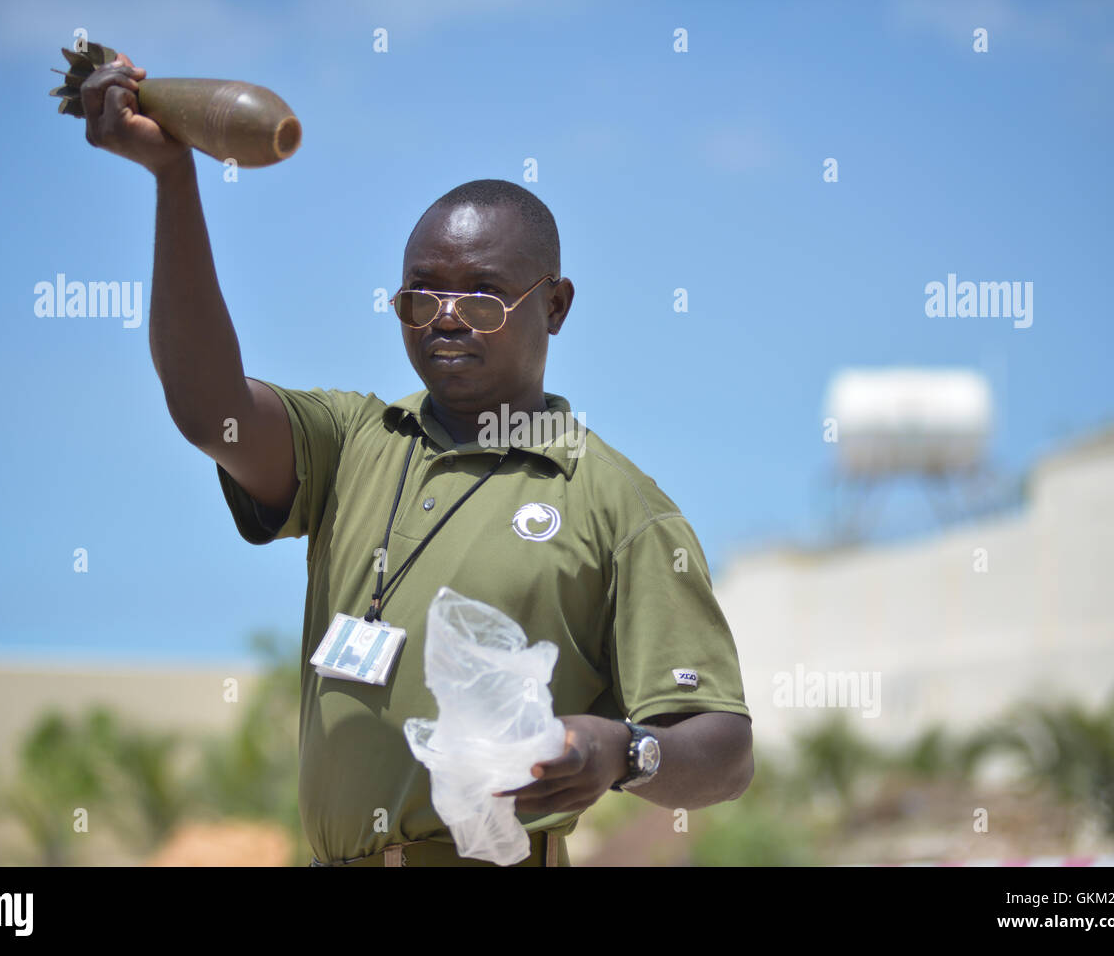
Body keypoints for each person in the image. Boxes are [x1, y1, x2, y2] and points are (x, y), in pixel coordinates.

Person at [80, 51, 755, 868]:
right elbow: (207, 409)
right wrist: (172, 179)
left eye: (479, 296)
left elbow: (723, 749)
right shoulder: (354, 442)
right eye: (420, 294)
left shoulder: (618, 506)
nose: (444, 318)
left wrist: (623, 750)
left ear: (556, 304)